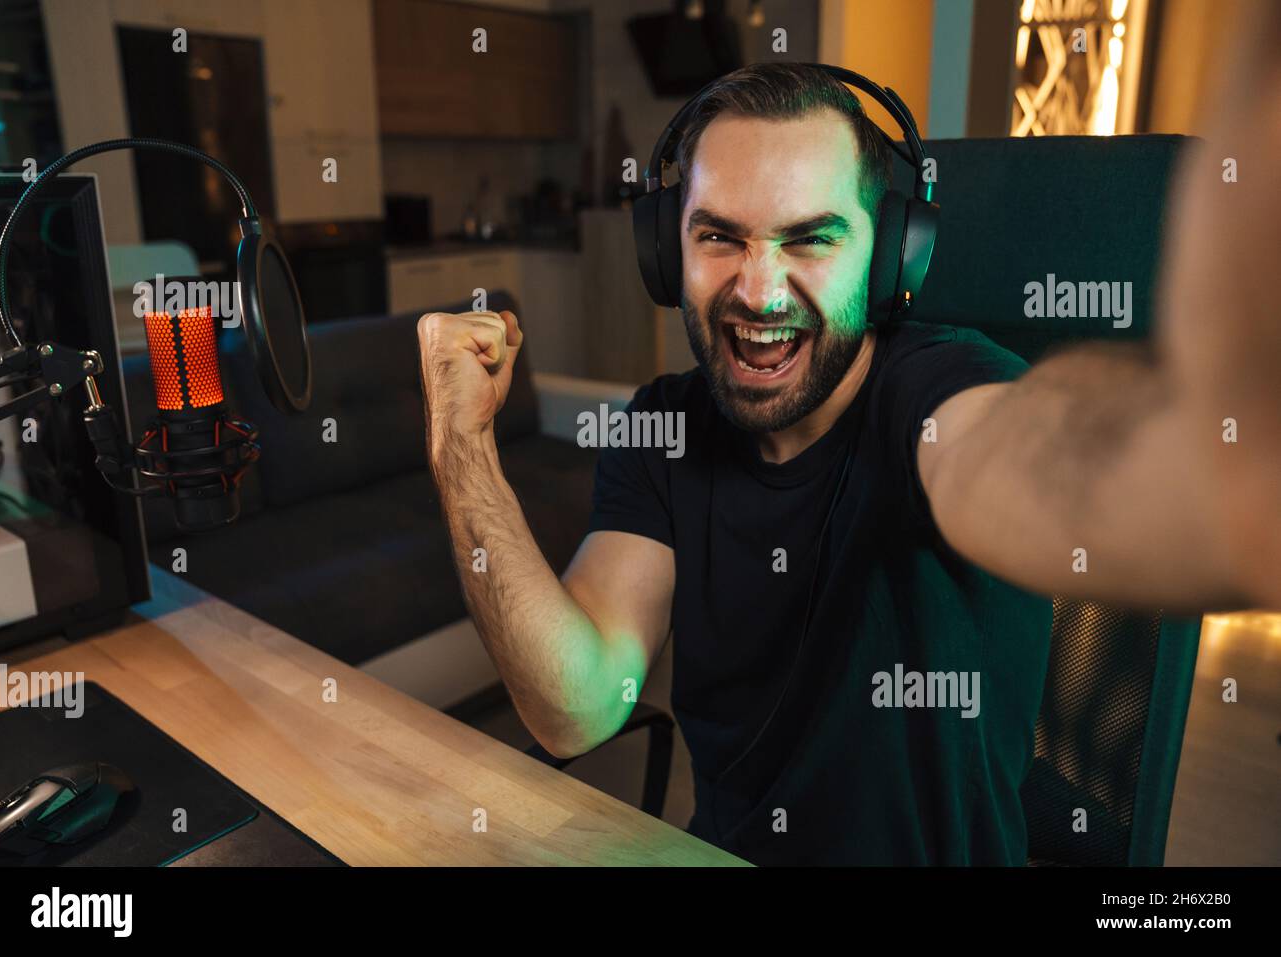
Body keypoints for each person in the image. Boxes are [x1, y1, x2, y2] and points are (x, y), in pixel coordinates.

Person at [417, 14, 1279, 864]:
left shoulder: (940, 396)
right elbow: (577, 704)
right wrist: (463, 443)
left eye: (811, 239)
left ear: (892, 257)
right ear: (664, 251)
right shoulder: (662, 429)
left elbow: (1039, 467)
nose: (758, 293)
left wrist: (1233, 458)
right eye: (719, 237)